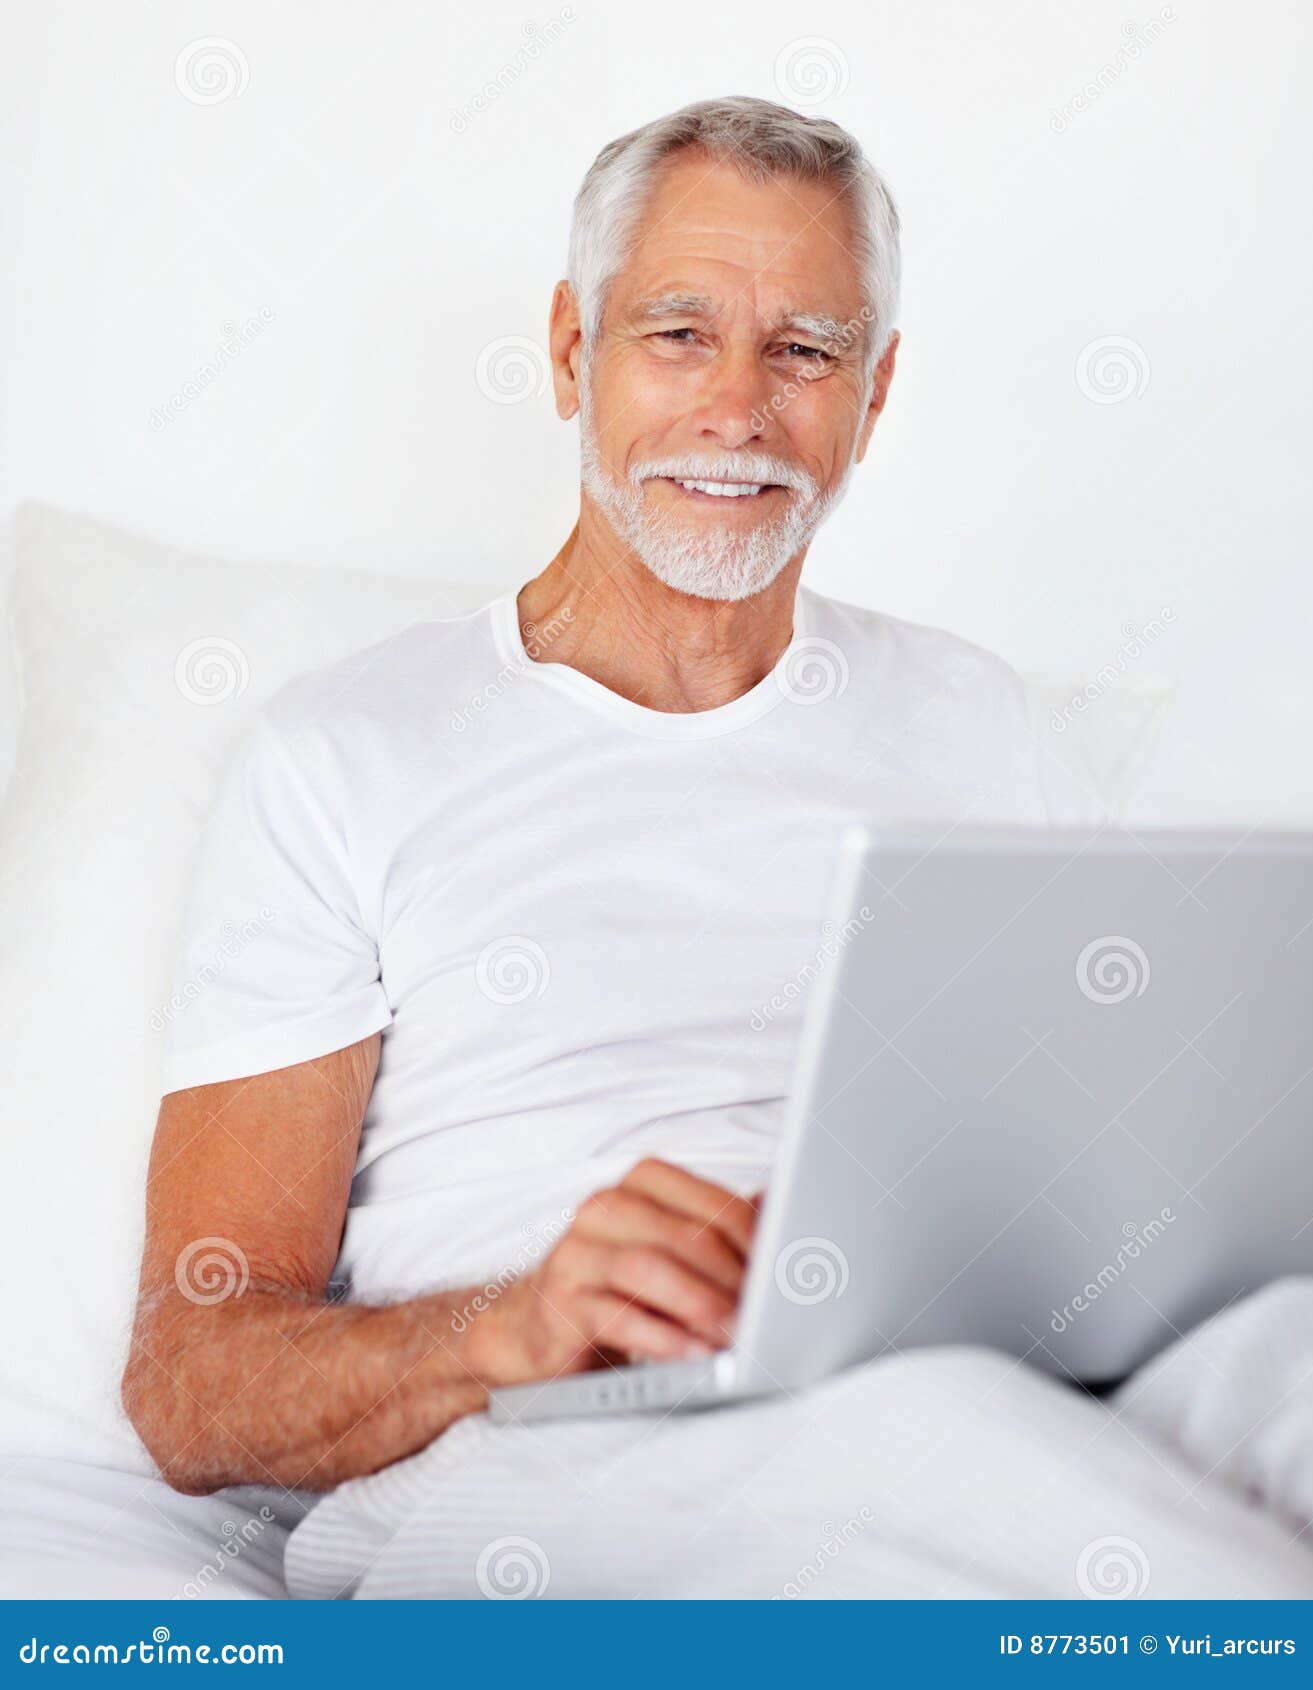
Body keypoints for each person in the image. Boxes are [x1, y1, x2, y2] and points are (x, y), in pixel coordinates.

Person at [122, 94, 1054, 1503]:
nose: (737, 409)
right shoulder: (344, 755)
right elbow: (193, 1383)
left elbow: (1080, 1194)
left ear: (873, 393)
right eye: (677, 334)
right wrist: (504, 1330)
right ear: (572, 350)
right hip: (554, 1464)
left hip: (947, 1401)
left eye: (804, 351)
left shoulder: (980, 722)